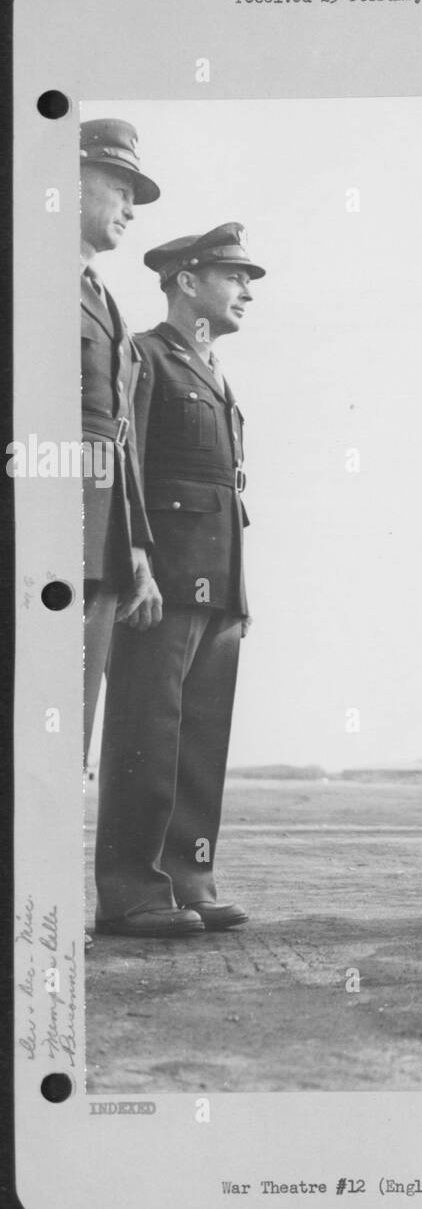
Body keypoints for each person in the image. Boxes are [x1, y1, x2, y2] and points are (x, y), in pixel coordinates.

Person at [93, 224, 264, 936]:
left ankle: (190, 877)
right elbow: (126, 465)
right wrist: (136, 558)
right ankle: (131, 891)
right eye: (234, 276)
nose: (247, 290)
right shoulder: (148, 356)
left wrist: (237, 595)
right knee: (149, 731)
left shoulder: (216, 372)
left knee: (201, 737)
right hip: (163, 578)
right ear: (187, 282)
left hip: (216, 582)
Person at [80, 119, 162, 758]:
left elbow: (121, 438)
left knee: (69, 728)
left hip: (100, 542)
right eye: (119, 186)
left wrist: (134, 546)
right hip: (45, 537)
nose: (131, 208)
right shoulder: (27, 278)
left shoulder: (107, 303)